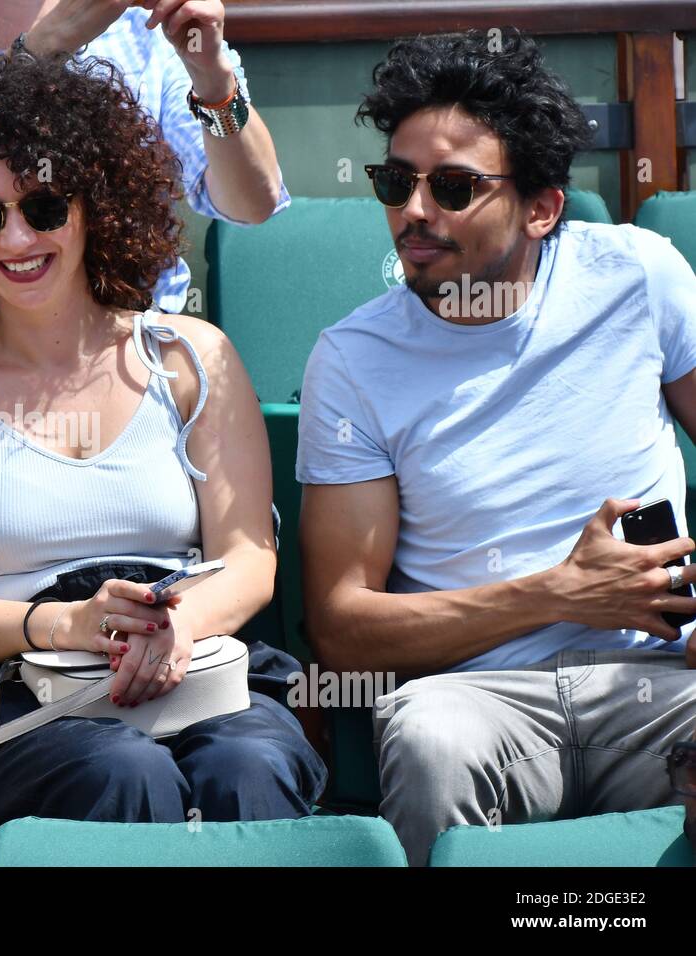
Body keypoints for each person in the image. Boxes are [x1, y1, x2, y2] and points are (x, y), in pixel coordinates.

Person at [0, 52, 326, 844]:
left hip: (193, 660)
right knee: (124, 772)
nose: (15, 238)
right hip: (26, 684)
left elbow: (249, 557)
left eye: (44, 206)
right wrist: (66, 625)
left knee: (249, 766)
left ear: (98, 203)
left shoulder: (192, 357)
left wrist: (179, 626)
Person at [296, 31, 696, 865]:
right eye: (395, 182)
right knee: (432, 743)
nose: (413, 210)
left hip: (659, 686)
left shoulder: (639, 275)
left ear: (543, 208)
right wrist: (558, 594)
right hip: (475, 699)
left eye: (451, 187)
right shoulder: (353, 359)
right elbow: (342, 631)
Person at [0, 0, 289, 314]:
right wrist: (48, 44)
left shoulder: (146, 40)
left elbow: (252, 203)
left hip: (137, 359)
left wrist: (212, 80)